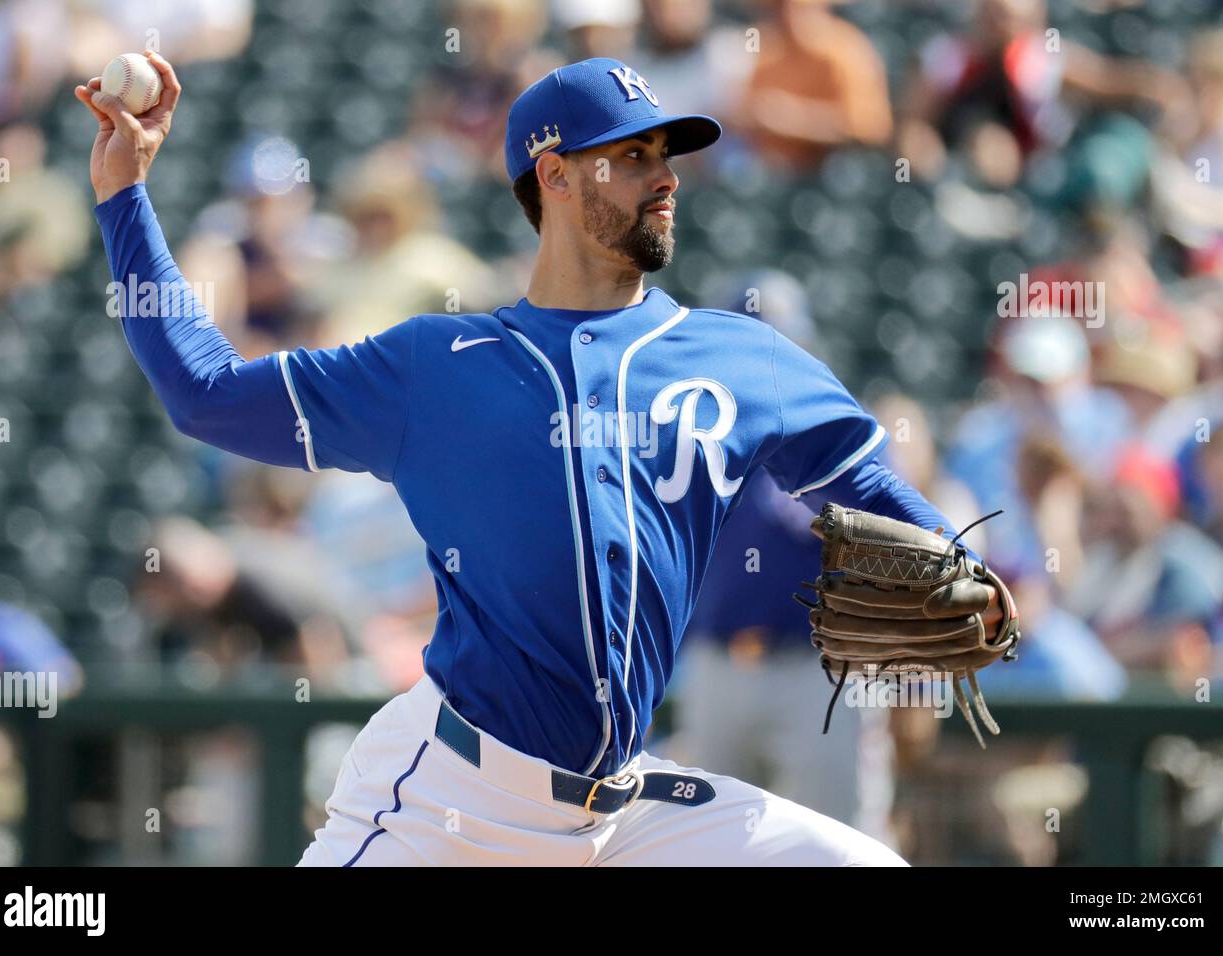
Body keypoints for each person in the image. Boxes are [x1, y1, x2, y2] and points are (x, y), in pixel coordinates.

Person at [75, 53, 1014, 866]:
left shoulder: (744, 358)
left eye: (666, 155)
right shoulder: (433, 370)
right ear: (554, 175)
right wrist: (125, 197)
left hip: (629, 810)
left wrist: (949, 552)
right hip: (448, 802)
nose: (665, 176)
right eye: (632, 154)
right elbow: (204, 391)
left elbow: (866, 481)